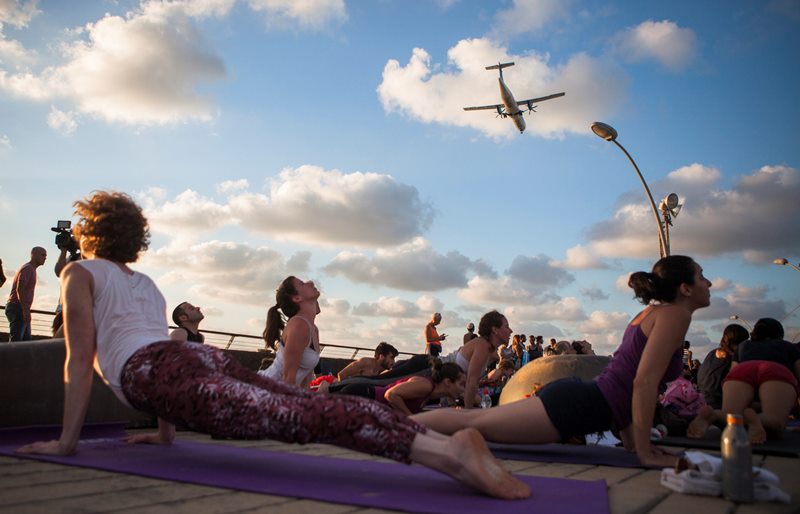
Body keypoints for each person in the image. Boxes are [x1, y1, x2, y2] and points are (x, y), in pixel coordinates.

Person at [14, 191, 529, 501]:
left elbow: (82, 358)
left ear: (89, 233)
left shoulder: (79, 272)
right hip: (187, 362)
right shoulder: (145, 284)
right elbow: (155, 350)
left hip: (161, 374)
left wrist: (66, 442)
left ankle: (448, 456)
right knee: (307, 406)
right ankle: (445, 447)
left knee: (303, 417)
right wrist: (163, 433)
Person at [412, 256, 712, 468]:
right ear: (684, 288)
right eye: (701, 276)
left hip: (578, 399)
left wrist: (636, 444)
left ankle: (381, 423)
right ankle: (380, 424)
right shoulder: (675, 315)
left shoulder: (652, 314)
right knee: (472, 423)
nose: (709, 282)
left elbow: (624, 383)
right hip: (575, 406)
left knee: (472, 422)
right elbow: (642, 382)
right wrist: (645, 452)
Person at [688, 318, 800, 443]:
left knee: (730, 418)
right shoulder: (788, 346)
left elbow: (732, 373)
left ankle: (713, 415)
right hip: (774, 370)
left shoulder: (743, 346)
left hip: (742, 370)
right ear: (779, 335)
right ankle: (755, 420)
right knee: (775, 422)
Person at [258, 277, 323, 388]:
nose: (311, 282)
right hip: (263, 389)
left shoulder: (313, 329)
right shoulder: (299, 325)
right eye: (302, 284)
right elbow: (288, 378)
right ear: (297, 298)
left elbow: (306, 379)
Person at [337, 361, 466, 415]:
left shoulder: (433, 393)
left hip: (367, 400)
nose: (463, 389)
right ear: (448, 382)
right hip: (362, 395)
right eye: (461, 384)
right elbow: (391, 395)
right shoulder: (426, 385)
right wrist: (411, 418)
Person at [444, 310, 512, 409]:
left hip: (447, 388)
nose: (511, 331)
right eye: (506, 326)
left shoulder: (489, 350)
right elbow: (471, 383)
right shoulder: (482, 345)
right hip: (430, 370)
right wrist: (469, 414)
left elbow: (471, 383)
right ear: (495, 330)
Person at [5, 246, 47, 342]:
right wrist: (25, 309)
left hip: (20, 308)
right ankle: (9, 357)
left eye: (45, 256)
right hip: (18, 307)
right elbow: (20, 289)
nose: (45, 258)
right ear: (34, 254)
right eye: (43, 255)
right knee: (17, 342)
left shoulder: (30, 269)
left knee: (26, 342)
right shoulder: (28, 268)